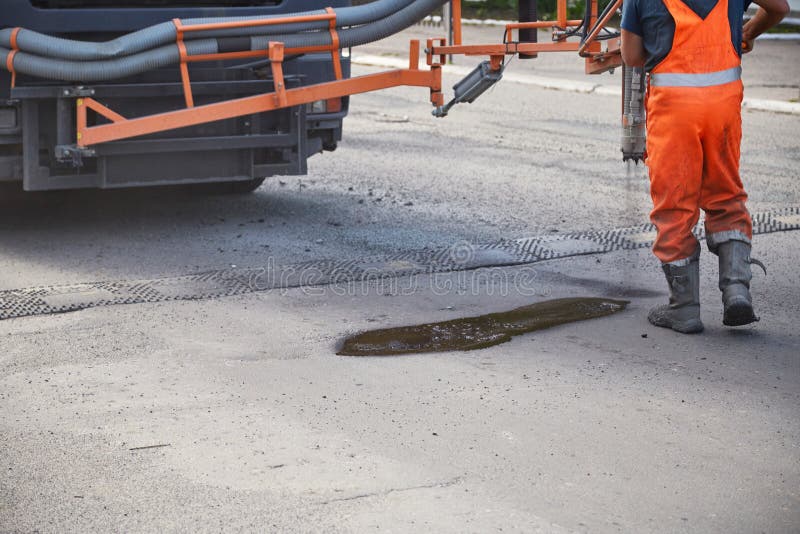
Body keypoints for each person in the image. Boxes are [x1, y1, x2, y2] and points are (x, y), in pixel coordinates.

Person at [620, 0, 789, 333]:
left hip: (674, 110)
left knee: (674, 206)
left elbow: (632, 56)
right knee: (726, 194)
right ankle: (737, 291)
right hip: (723, 104)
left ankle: (683, 308)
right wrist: (748, 31)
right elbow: (780, 8)